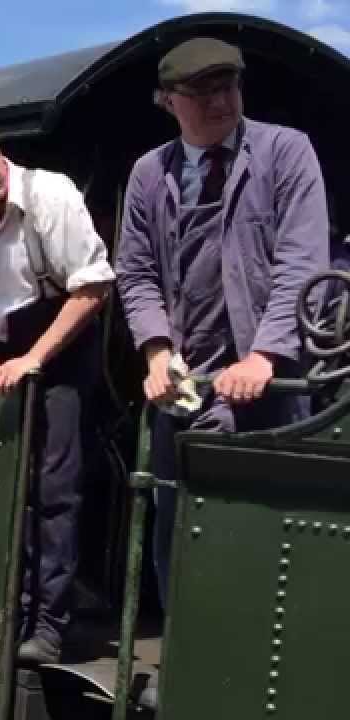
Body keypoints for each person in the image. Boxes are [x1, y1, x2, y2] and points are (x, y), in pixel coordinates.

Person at [115, 38, 329, 612]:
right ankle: (181, 648)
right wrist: (157, 352)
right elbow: (136, 272)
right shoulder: (148, 173)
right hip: (186, 387)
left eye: (228, 85)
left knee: (264, 540)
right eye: (202, 91)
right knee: (177, 534)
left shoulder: (286, 153)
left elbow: (302, 263)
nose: (220, 101)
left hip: (270, 388)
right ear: (167, 100)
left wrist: (264, 356)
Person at [0, 118, 115, 665]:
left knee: (55, 488)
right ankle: (7, 605)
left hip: (60, 341)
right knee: (9, 479)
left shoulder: (50, 197)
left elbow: (93, 286)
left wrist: (35, 358)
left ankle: (50, 625)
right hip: (3, 345)